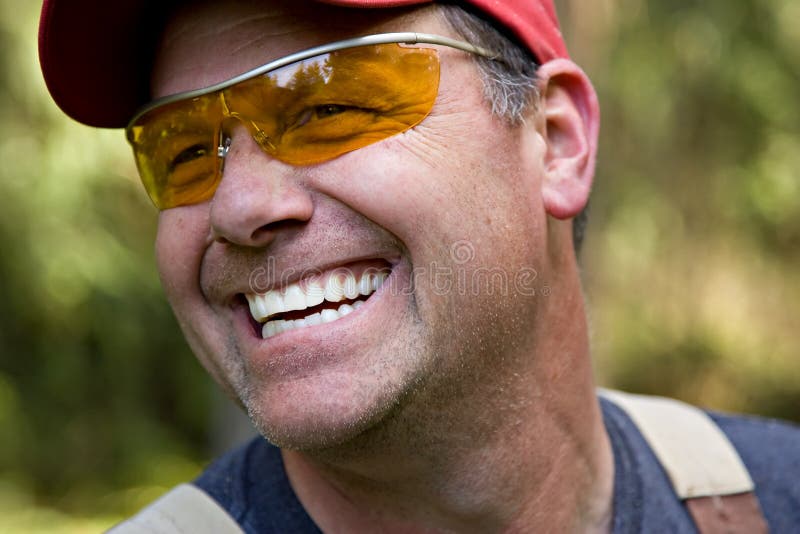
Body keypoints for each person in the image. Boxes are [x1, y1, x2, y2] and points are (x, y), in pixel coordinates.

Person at [38, 0, 799, 532]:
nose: (239, 207)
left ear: (557, 141)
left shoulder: (778, 491)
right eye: (184, 151)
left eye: (330, 107)